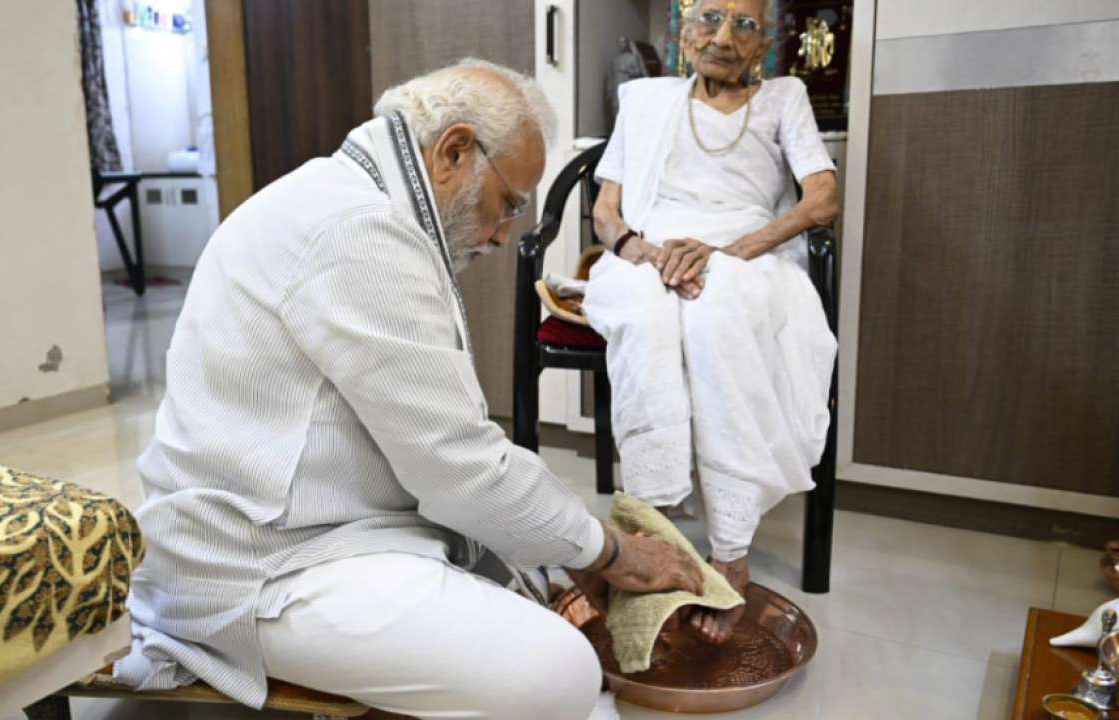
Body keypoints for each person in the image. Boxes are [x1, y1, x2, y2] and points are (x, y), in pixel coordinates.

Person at [113, 58, 705, 720]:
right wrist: (615, 552)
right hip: (264, 568)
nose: (505, 233)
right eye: (507, 203)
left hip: (321, 528)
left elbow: (446, 445)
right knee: (561, 674)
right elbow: (459, 468)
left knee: (534, 577)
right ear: (453, 150)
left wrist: (563, 543)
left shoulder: (350, 201)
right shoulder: (357, 229)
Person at [586, 0, 840, 643]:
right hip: (653, 248)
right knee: (647, 314)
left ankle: (729, 547)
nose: (723, 37)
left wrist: (730, 253)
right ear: (682, 32)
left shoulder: (785, 97)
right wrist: (638, 251)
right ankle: (652, 529)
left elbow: (823, 199)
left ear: (765, 44)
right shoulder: (645, 101)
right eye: (708, 18)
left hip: (743, 253)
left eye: (745, 25)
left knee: (712, 316)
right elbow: (607, 212)